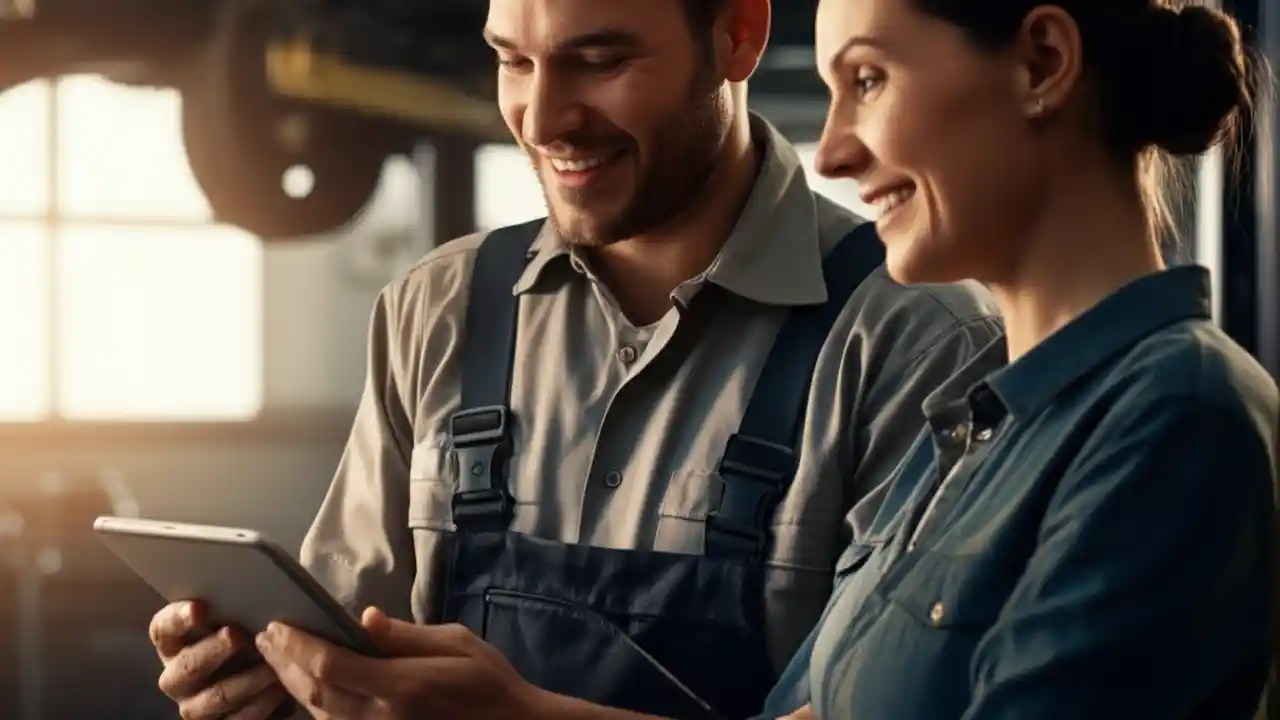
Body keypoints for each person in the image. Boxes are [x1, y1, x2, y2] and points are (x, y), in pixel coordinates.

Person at [146, 0, 1002, 718]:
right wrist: (278, 682)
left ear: (738, 34)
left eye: (598, 61)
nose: (543, 118)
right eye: (513, 62)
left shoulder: (917, 345)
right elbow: (350, 653)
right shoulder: (433, 310)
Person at [758, 0, 1280, 718]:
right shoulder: (979, 421)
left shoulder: (1175, 416)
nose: (830, 153)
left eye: (869, 80)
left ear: (1041, 63)